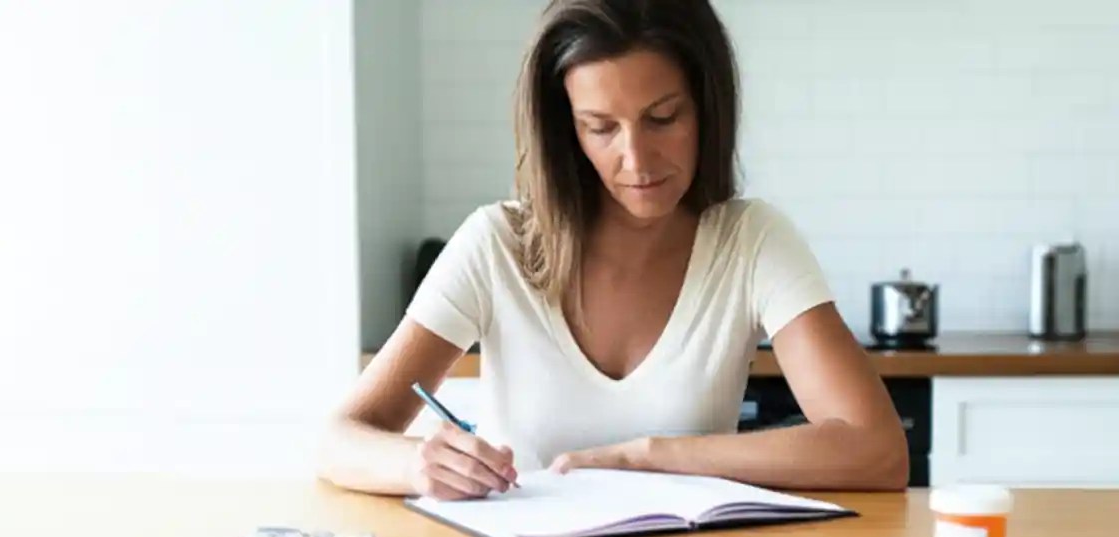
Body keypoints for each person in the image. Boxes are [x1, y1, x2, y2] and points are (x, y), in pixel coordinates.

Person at [319, 0, 907, 500]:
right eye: (601, 127)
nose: (637, 160)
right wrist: (418, 464)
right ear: (566, 130)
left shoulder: (751, 242)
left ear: (707, 107)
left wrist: (648, 456)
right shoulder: (496, 243)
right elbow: (338, 438)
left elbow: (877, 450)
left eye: (663, 118)